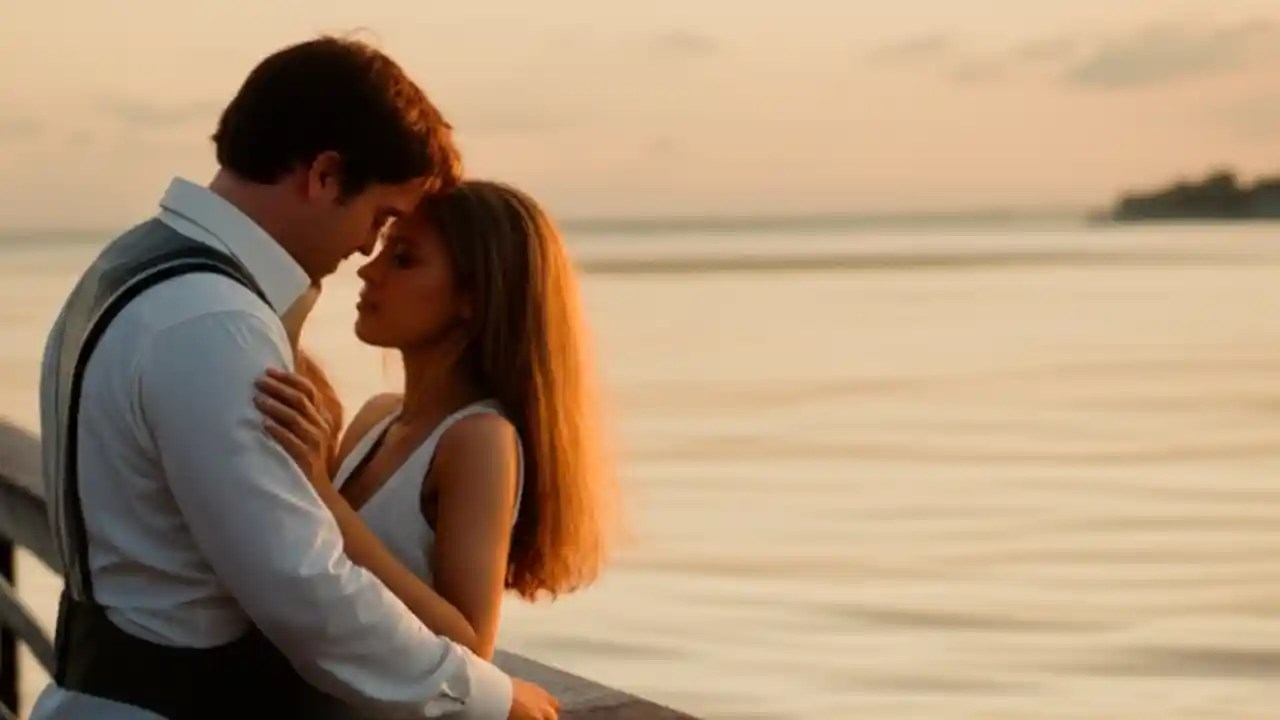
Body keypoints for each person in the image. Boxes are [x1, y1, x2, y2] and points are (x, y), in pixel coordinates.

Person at [32, 36, 558, 719]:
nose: (367, 248)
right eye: (381, 217)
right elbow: (303, 587)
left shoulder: (129, 267)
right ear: (326, 176)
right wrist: (488, 699)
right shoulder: (214, 321)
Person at [252, 180, 617, 663]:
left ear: (473, 298)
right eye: (383, 251)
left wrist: (321, 492)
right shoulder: (377, 418)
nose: (368, 270)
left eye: (403, 260)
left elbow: (469, 642)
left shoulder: (478, 439)